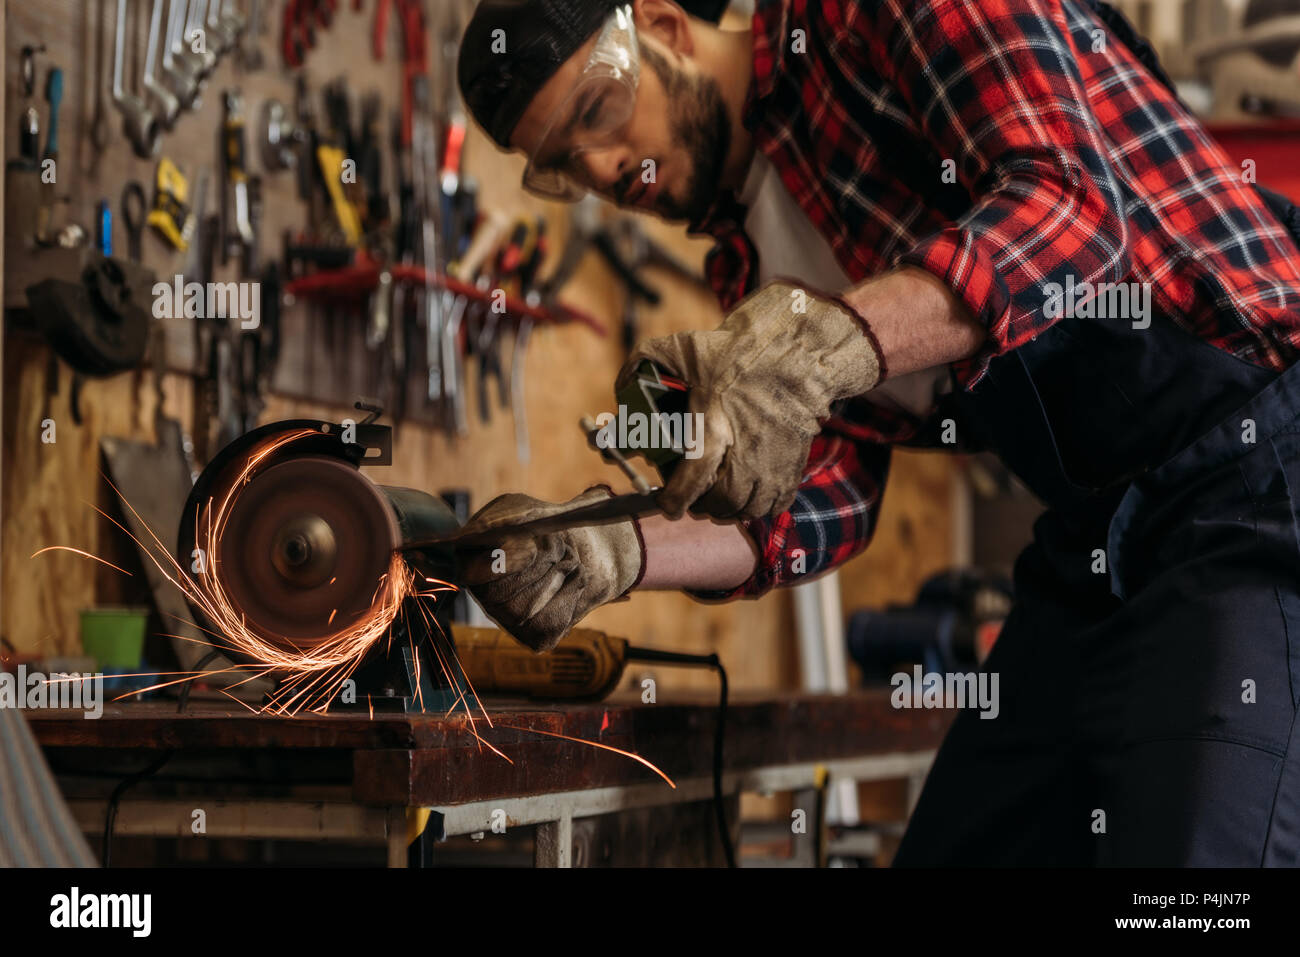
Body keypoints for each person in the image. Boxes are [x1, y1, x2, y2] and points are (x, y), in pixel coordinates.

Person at [455, 0, 1300, 865]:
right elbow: (829, 496)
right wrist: (613, 549)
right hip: (1104, 525)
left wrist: (826, 348)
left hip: (1260, 460)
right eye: (564, 164)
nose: (600, 165)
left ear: (666, 26)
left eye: (596, 111)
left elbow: (1072, 212)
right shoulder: (750, 260)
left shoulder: (861, 15)